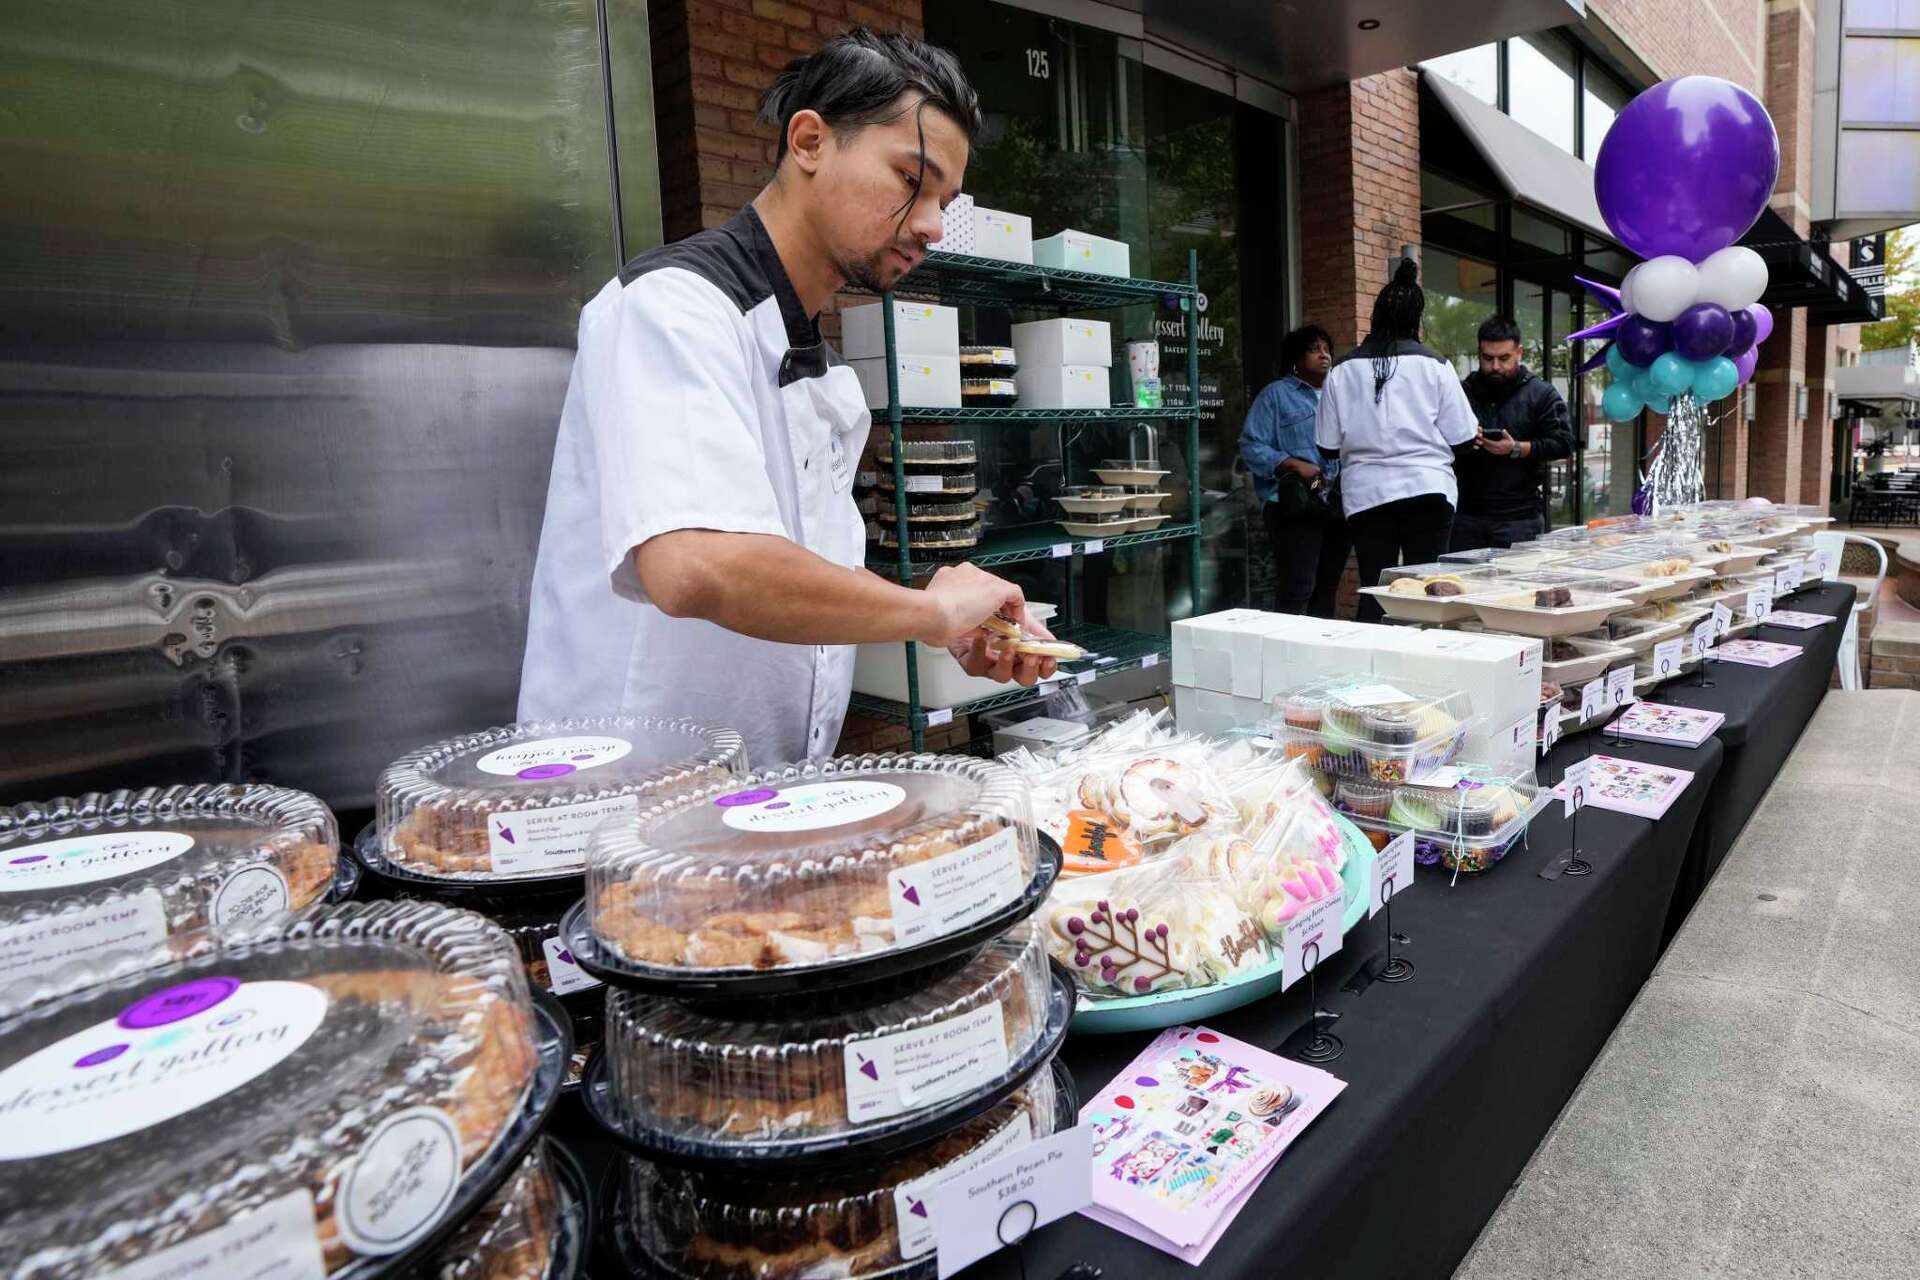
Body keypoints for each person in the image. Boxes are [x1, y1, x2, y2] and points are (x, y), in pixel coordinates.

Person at [517, 29, 1056, 766]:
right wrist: (927, 612)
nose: (932, 225)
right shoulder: (674, 308)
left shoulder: (824, 369)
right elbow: (698, 563)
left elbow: (790, 575)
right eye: (911, 180)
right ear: (809, 142)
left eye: (945, 201)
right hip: (626, 801)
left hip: (762, 803)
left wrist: (948, 623)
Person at [1314, 258, 1478, 622]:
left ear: (1376, 315)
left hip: (1367, 495)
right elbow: (1464, 438)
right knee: (1430, 592)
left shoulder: (1341, 369)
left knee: (1375, 590)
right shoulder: (1435, 365)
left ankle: (1371, 670)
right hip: (1428, 489)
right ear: (1416, 319)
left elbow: (1326, 446)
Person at [1240, 324, 1349, 617]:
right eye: (1314, 350)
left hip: (1336, 504)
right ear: (1296, 360)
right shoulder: (1276, 395)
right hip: (1294, 505)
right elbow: (1250, 445)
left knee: (1327, 587)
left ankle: (1321, 656)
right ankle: (1285, 657)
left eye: (1327, 349)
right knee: (1298, 587)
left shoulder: (1340, 395)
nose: (1324, 355)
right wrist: (1290, 463)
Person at [1451, 316, 1575, 552]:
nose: (1495, 366)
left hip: (1519, 519)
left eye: (1503, 358)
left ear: (1519, 352)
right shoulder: (1462, 392)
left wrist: (1517, 448)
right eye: (1488, 358)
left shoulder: (1541, 393)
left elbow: (1564, 442)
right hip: (1466, 517)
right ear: (1479, 353)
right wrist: (1464, 440)